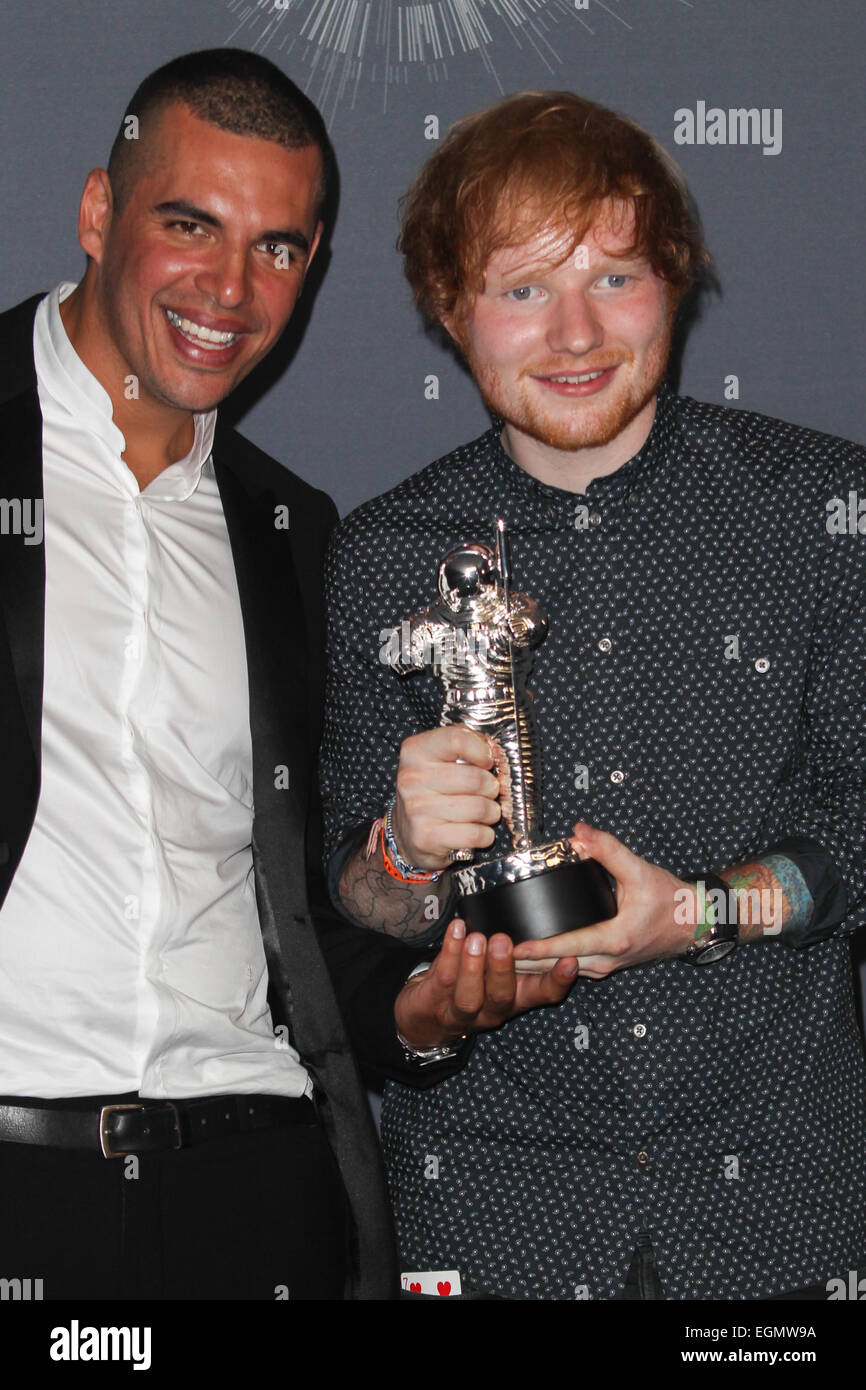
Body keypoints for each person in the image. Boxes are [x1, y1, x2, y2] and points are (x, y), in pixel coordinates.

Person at [320, 91, 866, 1300]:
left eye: (613, 277)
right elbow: (352, 911)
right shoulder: (377, 555)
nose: (573, 333)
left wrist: (699, 913)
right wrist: (404, 857)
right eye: (520, 289)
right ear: (449, 309)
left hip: (779, 1214)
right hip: (491, 1207)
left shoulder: (825, 512)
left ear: (672, 283)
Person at [0, 45, 440, 1302]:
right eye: (189, 224)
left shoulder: (292, 529)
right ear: (98, 212)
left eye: (279, 248)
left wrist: (419, 999)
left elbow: (300, 899)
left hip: (250, 1187)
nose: (229, 289)